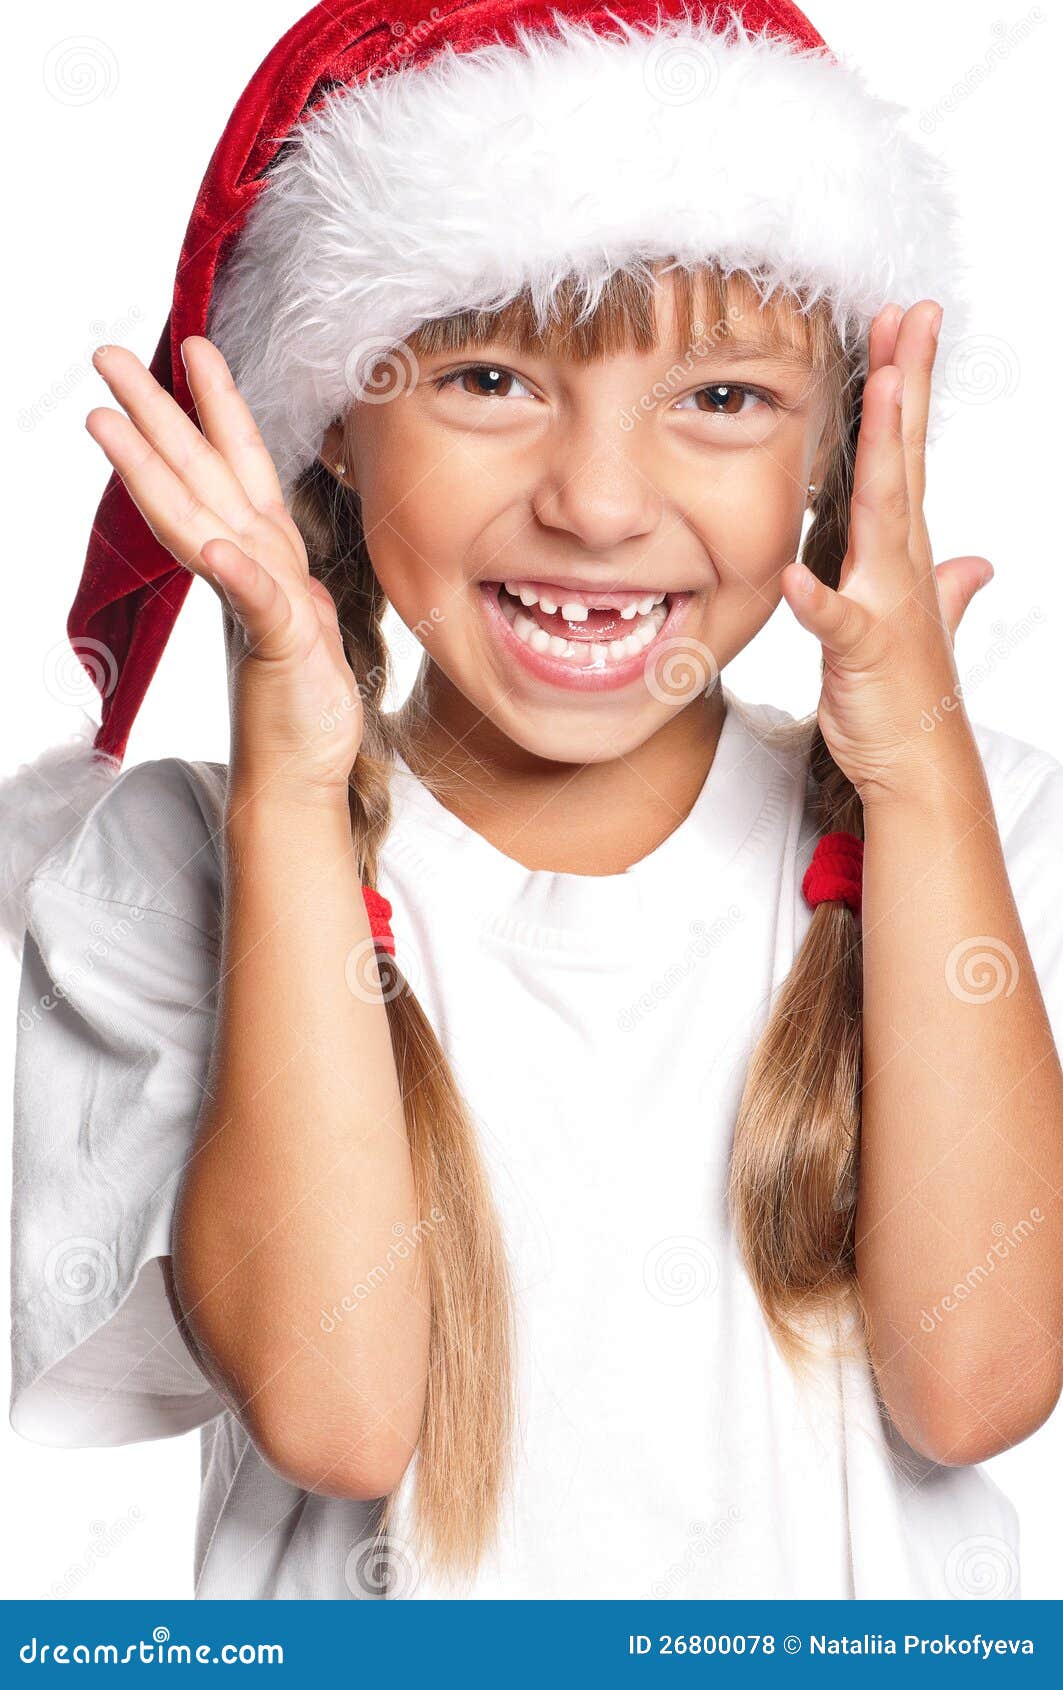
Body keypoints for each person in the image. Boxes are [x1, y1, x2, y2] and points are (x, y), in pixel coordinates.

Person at [5, 0, 1062, 1601]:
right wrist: (291, 781)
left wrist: (917, 771)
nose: (600, 502)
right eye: (490, 378)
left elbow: (978, 1379)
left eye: (722, 398)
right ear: (334, 425)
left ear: (841, 447)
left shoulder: (986, 839)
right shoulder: (168, 874)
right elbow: (338, 1411)